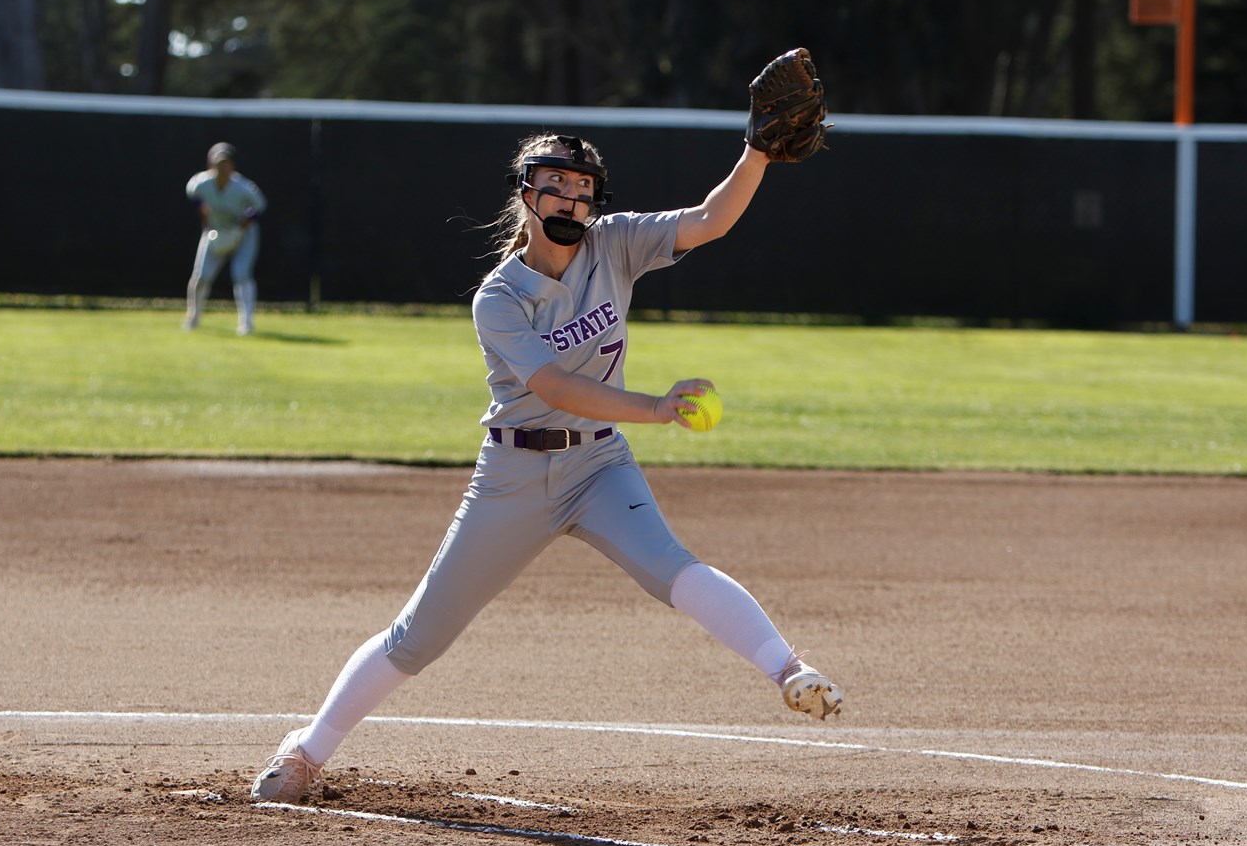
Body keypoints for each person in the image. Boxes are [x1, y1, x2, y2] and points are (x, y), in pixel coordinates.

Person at [251, 126, 843, 804]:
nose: (569, 199)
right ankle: (305, 752)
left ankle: (791, 671)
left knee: (674, 569)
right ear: (526, 194)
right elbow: (555, 387)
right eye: (555, 185)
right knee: (419, 637)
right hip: (514, 479)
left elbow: (711, 220)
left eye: (582, 188)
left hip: (599, 466)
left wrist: (757, 152)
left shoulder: (614, 244)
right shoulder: (499, 297)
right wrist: (656, 406)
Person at [183, 142, 267, 335]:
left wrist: (241, 227)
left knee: (241, 274)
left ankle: (246, 323)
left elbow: (259, 207)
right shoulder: (202, 182)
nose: (222, 166)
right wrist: (204, 216)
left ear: (232, 165)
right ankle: (193, 316)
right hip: (215, 232)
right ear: (211, 164)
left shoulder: (243, 187)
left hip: (242, 235)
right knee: (201, 275)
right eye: (218, 162)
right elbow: (193, 195)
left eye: (226, 162)